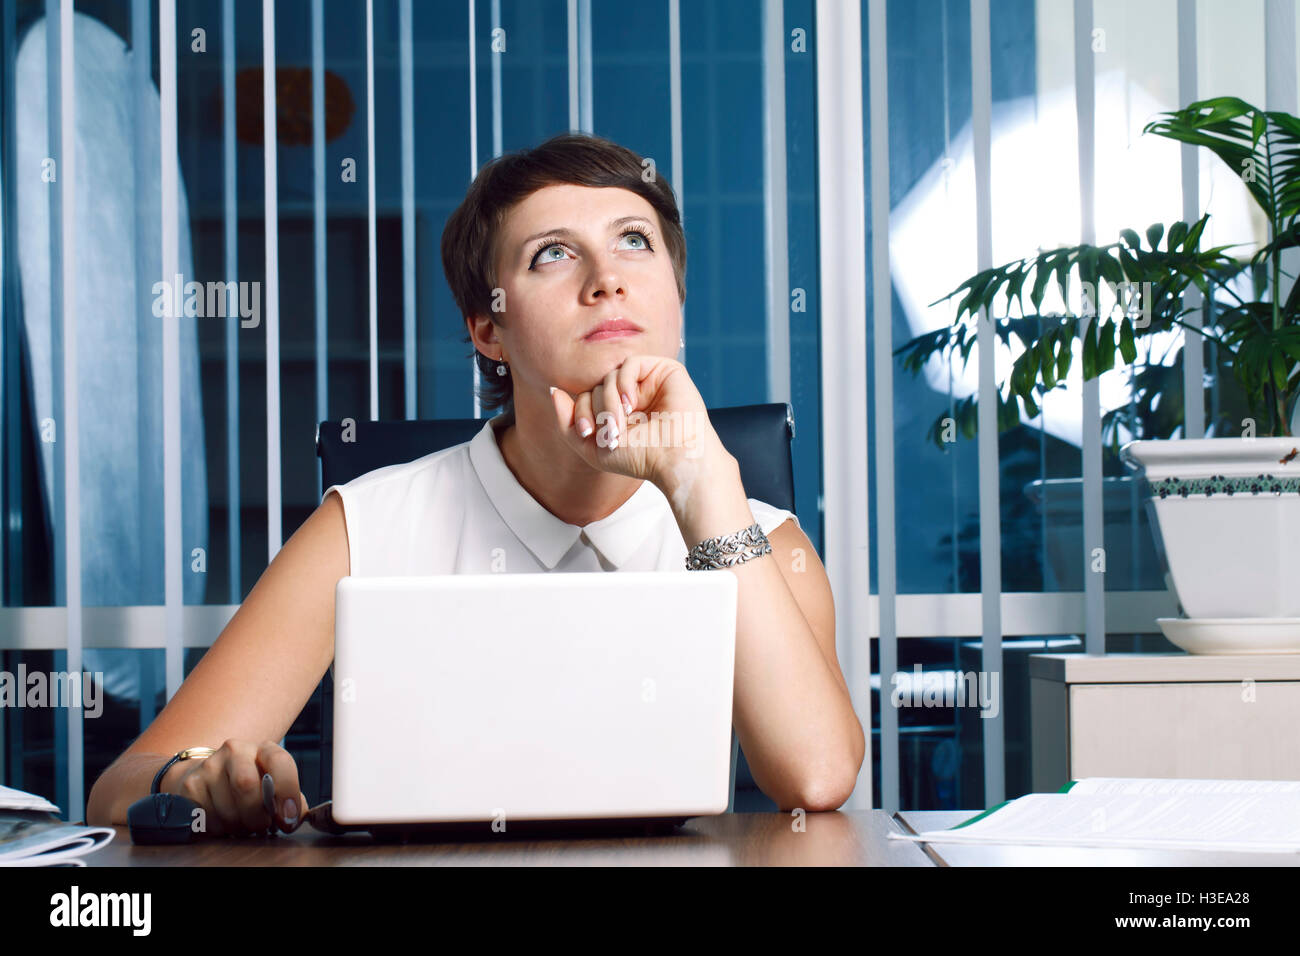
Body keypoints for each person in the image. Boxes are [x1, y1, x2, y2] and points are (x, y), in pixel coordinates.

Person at [86, 132, 864, 834]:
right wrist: (200, 782)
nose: (607, 280)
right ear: (487, 327)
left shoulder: (762, 538)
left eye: (635, 242)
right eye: (552, 254)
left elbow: (817, 775)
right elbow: (121, 787)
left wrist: (704, 481)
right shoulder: (364, 525)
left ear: (676, 300)